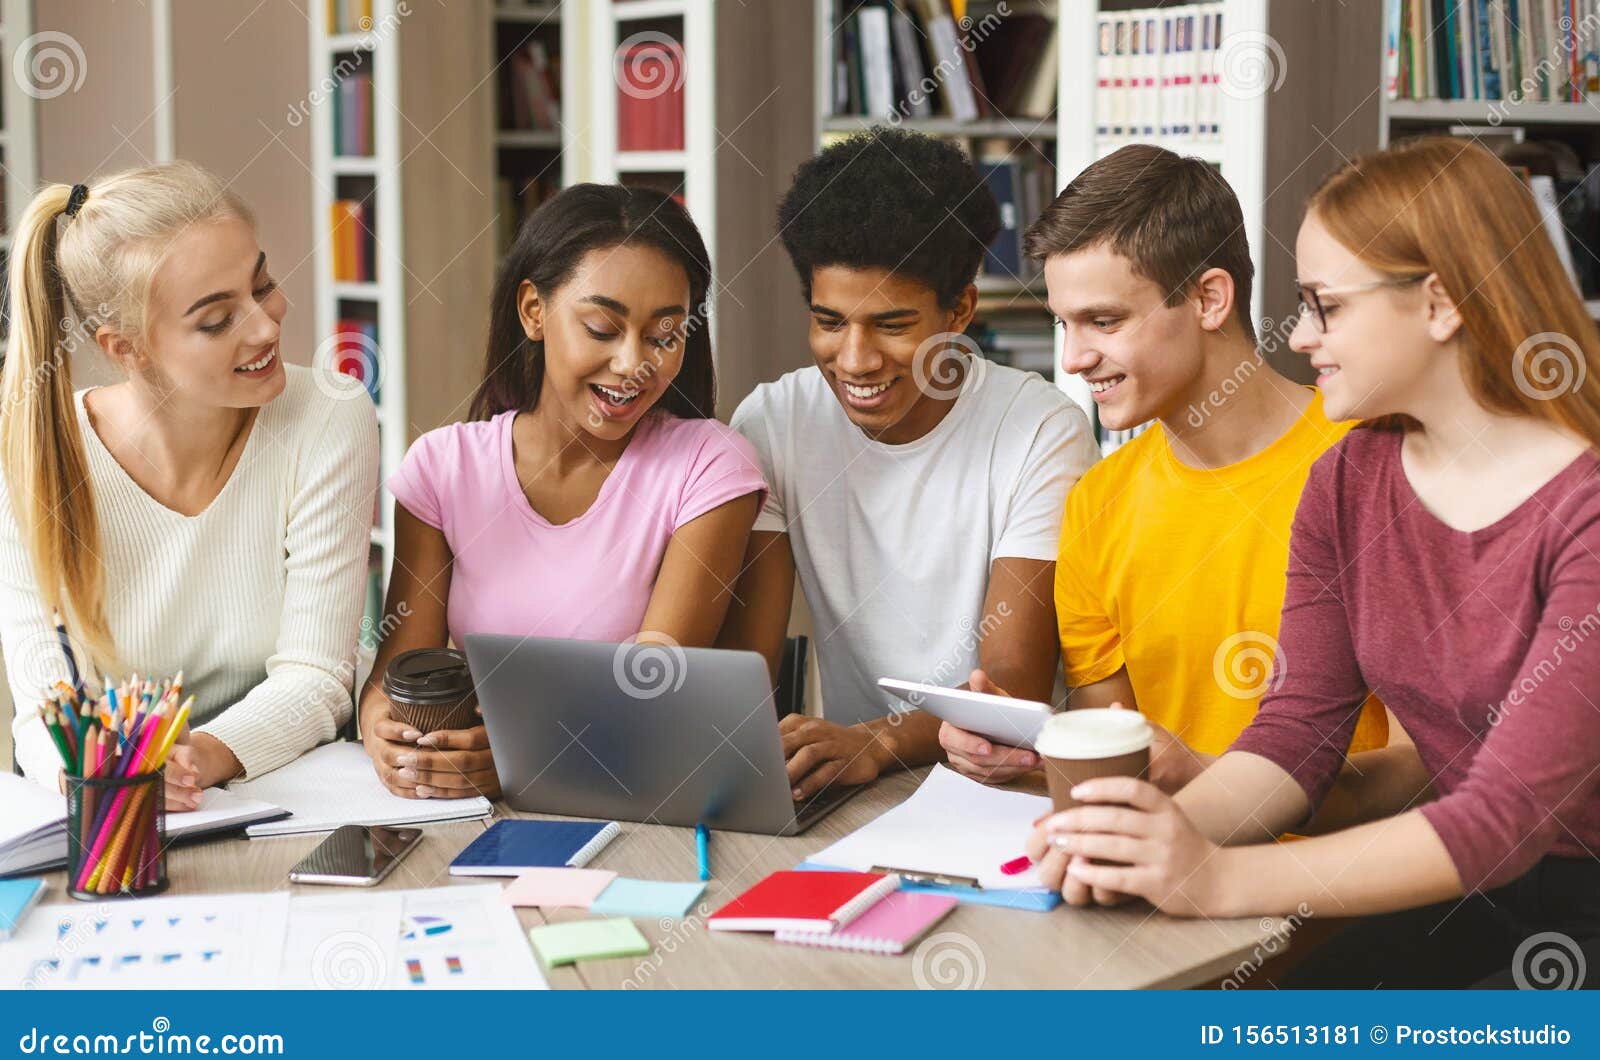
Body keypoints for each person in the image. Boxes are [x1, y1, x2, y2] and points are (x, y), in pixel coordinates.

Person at [1029, 137, 1600, 989]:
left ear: (1440, 303)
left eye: (1325, 307)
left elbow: (1504, 817)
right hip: (1474, 892)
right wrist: (1148, 836)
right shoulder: (1350, 478)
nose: (1299, 336)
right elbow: (1301, 727)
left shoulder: (1582, 508)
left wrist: (1211, 876)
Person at [939, 145, 1401, 836]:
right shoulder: (1097, 504)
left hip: (1346, 897)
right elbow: (1132, 763)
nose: (1073, 358)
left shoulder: (1377, 467)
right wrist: (1028, 763)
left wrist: (1212, 778)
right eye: (1064, 324)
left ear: (1210, 299)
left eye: (1105, 321)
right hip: (1172, 880)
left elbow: (1422, 771)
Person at [719, 128, 1098, 801]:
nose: (857, 360)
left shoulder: (1040, 429)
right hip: (848, 782)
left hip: (1000, 786)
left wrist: (880, 739)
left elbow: (1007, 691)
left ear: (960, 310)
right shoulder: (772, 423)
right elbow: (745, 668)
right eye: (830, 322)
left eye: (891, 325)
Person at [359, 185, 766, 799]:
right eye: (603, 327)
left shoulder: (709, 467)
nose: (635, 363)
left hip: (634, 802)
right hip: (476, 814)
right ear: (534, 311)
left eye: (664, 335)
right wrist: (380, 729)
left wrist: (523, 758)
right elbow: (401, 676)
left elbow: (656, 686)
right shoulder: (444, 467)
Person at [0, 162, 378, 808]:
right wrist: (82, 774)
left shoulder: (329, 414)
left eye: (263, 286)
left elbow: (317, 675)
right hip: (117, 801)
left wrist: (195, 760)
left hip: (289, 791)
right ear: (125, 349)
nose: (264, 327)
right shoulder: (35, 453)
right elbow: (44, 704)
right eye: (215, 320)